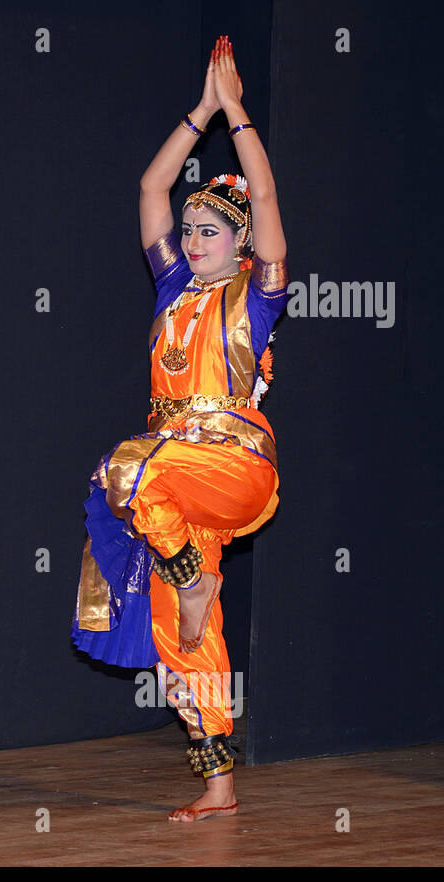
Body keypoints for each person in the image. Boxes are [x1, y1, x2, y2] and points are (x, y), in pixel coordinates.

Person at [71, 35, 288, 822]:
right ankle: (219, 787)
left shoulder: (257, 298)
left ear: (238, 245)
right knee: (183, 639)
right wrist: (198, 111)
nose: (194, 241)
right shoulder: (171, 291)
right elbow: (150, 184)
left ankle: (195, 573)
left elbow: (264, 203)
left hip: (230, 468)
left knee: (124, 469)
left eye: (210, 232)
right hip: (177, 483)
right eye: (189, 230)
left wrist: (238, 115)